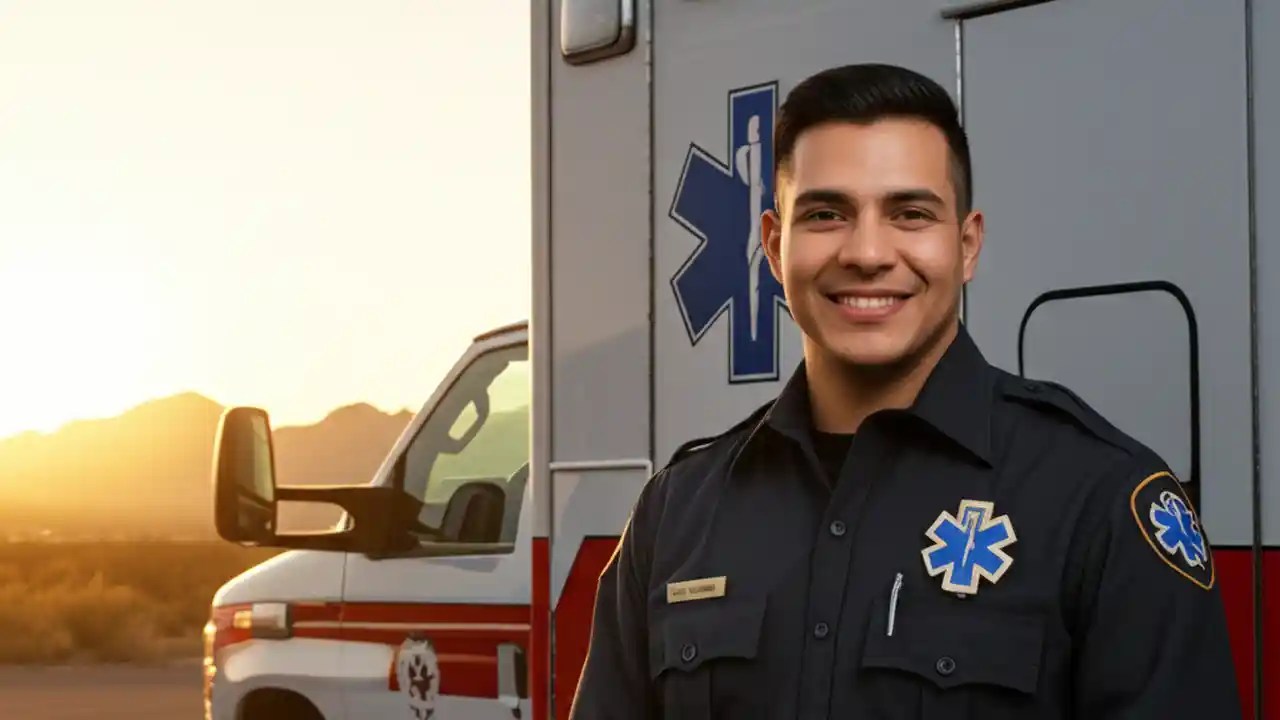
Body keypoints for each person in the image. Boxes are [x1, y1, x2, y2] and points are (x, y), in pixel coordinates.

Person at [567, 63, 1242, 718]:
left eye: (910, 213)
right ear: (773, 246)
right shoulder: (676, 513)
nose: (867, 253)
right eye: (826, 214)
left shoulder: (1102, 506)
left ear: (966, 245)